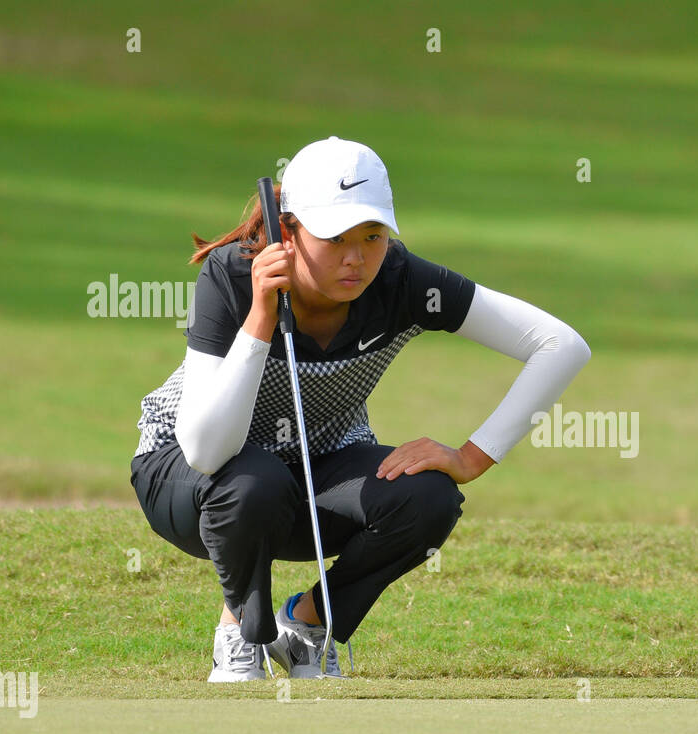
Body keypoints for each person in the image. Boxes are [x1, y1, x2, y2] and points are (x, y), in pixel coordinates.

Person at [129, 137, 590, 682]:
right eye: (335, 238)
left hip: (311, 475)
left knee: (428, 495)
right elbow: (207, 451)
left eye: (372, 236)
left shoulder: (401, 281)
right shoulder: (233, 276)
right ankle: (240, 634)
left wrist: (470, 458)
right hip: (188, 482)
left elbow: (560, 345)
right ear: (289, 230)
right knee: (253, 479)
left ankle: (306, 628)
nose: (357, 258)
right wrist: (259, 317)